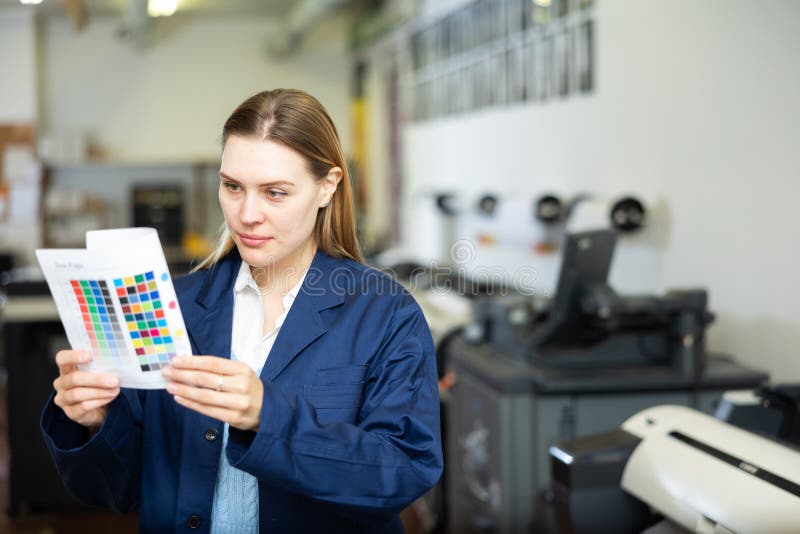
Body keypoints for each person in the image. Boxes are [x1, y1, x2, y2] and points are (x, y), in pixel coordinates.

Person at [40, 89, 443, 533]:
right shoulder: (172, 306)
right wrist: (94, 422)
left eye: (274, 193)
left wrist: (266, 417)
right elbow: (118, 490)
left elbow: (403, 473)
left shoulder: (384, 313)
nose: (247, 214)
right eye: (232, 186)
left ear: (327, 186)